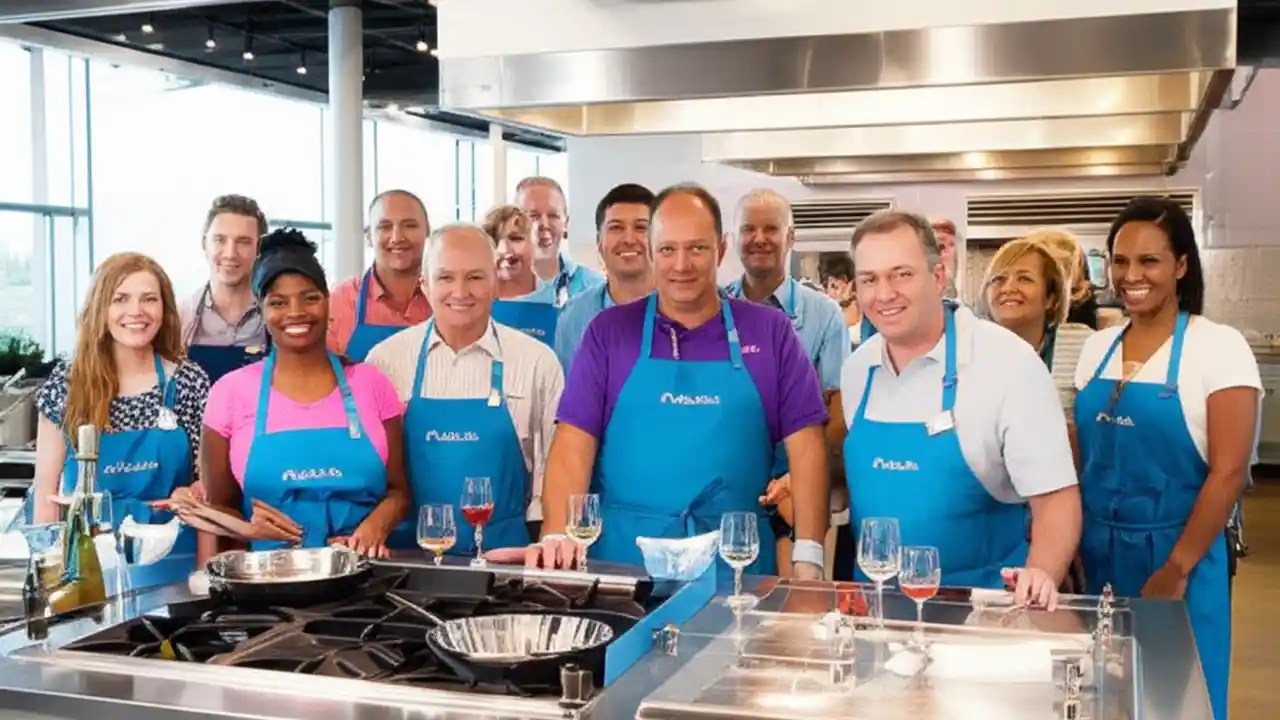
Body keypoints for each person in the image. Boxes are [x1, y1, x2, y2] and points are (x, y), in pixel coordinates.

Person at [530, 184, 831, 578]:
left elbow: (807, 448)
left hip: (737, 560)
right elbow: (572, 444)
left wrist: (808, 555)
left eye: (697, 248)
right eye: (668, 249)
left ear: (721, 250)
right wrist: (557, 537)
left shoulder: (769, 331)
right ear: (652, 253)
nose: (682, 264)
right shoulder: (609, 332)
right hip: (623, 561)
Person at [1072, 198, 1260, 720]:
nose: (1132, 275)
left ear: (1180, 266)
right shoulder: (1098, 348)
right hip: (1097, 552)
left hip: (1180, 550)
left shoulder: (1218, 347)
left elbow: (1228, 472)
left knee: (1178, 699)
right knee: (1103, 695)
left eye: (1149, 261)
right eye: (1121, 261)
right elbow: (1081, 454)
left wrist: (1176, 568)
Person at [842, 210, 1080, 608]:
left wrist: (1036, 588)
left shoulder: (1008, 364)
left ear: (938, 278)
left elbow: (1055, 500)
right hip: (877, 609)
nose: (883, 294)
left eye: (901, 274)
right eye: (869, 279)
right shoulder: (857, 370)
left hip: (981, 612)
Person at [199, 229, 411, 559]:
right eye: (279, 303)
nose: (296, 312)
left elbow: (399, 491)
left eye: (309, 297)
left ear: (328, 301)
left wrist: (375, 527)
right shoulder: (229, 393)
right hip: (268, 583)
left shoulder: (372, 384)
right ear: (262, 310)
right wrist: (248, 530)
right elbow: (219, 508)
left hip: (364, 574)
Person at [365, 223, 563, 549]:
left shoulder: (537, 363)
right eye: (445, 278)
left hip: (504, 563)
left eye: (474, 277)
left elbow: (552, 476)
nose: (460, 292)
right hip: (406, 564)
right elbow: (372, 475)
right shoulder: (385, 362)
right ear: (424, 285)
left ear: (495, 282)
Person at [32, 253, 209, 558]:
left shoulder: (190, 381)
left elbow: (209, 488)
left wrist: (192, 493)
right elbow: (46, 496)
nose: (135, 312)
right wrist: (47, 567)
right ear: (101, 309)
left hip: (174, 560)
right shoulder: (68, 383)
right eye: (121, 299)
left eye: (149, 299)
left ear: (164, 308)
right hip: (88, 565)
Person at [723, 189, 850, 576]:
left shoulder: (823, 315)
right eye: (748, 229)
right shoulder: (716, 306)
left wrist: (797, 476)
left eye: (771, 229)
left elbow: (837, 409)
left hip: (798, 484)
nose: (759, 238)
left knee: (795, 598)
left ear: (790, 238)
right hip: (731, 475)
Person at [978, 232, 1096, 419]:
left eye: (1024, 279)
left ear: (1050, 298)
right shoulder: (966, 350)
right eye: (998, 279)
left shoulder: (1081, 345)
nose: (1008, 288)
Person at [554, 183, 656, 373]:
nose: (629, 239)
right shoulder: (574, 316)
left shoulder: (688, 310)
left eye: (641, 228)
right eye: (616, 228)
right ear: (599, 243)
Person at [327, 190, 432, 360]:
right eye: (384, 227)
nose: (397, 238)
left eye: (410, 225)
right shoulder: (339, 302)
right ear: (368, 236)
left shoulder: (447, 298)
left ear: (427, 231)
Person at [179, 194, 271, 383]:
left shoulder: (276, 316)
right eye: (220, 240)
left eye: (243, 242)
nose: (230, 254)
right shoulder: (180, 317)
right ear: (204, 244)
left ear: (259, 249)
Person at [515, 176, 604, 306]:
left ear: (566, 224)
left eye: (553, 216)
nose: (544, 224)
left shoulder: (596, 287)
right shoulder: (494, 290)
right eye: (533, 216)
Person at [483, 204, 560, 348]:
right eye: (494, 242)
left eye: (516, 238)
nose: (505, 250)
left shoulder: (557, 302)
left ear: (535, 243)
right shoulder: (473, 303)